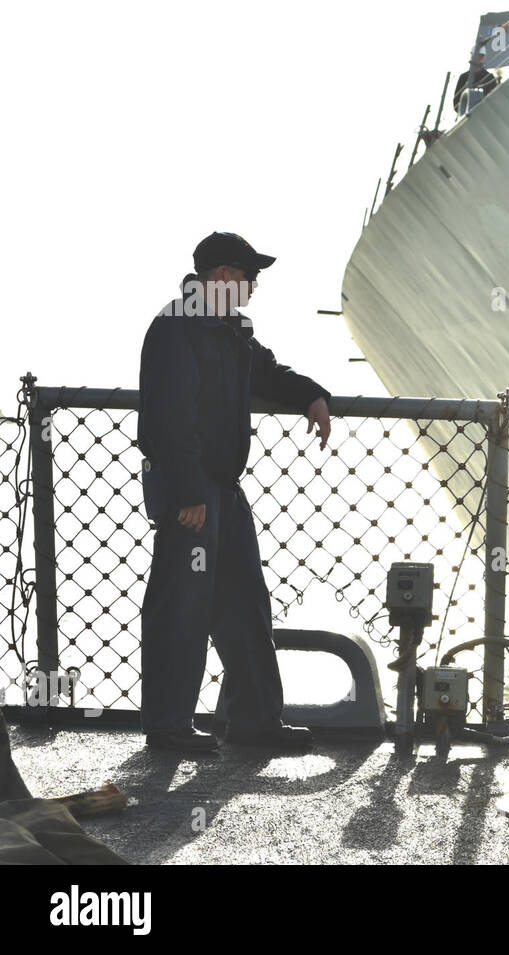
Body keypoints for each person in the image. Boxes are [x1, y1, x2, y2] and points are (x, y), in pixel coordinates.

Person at [137, 232, 332, 755]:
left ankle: (255, 723)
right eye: (250, 277)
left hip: (221, 488)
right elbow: (167, 416)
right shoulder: (175, 328)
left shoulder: (231, 328)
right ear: (222, 276)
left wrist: (311, 394)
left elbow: (267, 374)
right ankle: (168, 728)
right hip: (194, 493)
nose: (253, 288)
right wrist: (187, 492)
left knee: (245, 604)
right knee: (182, 607)